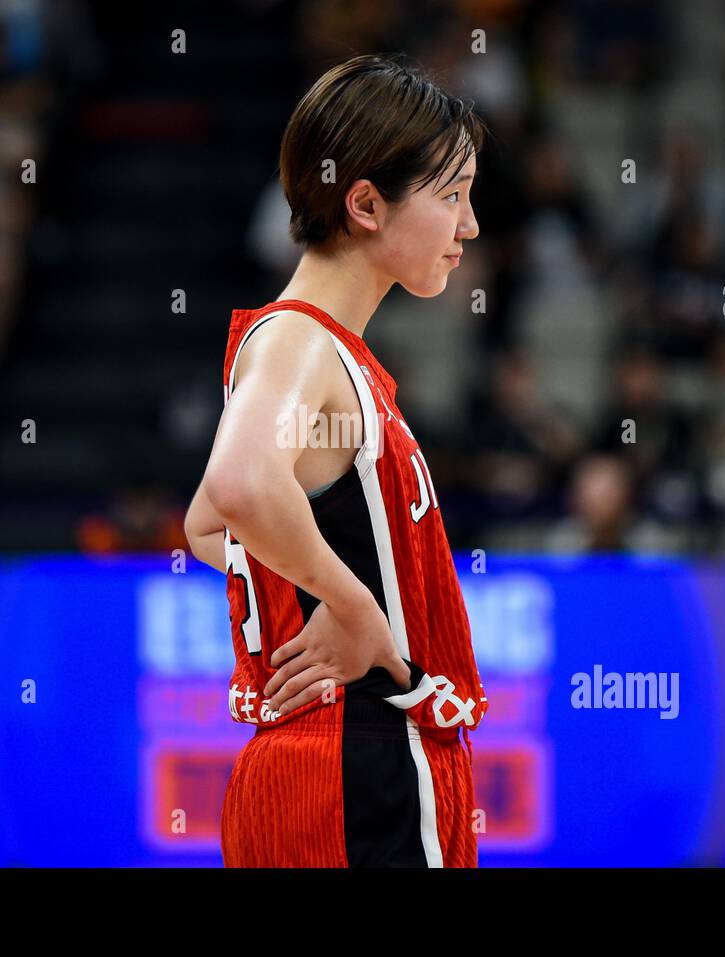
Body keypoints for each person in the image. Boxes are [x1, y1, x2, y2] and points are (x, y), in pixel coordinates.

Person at [184, 55, 489, 867]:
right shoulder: (301, 339)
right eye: (453, 195)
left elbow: (206, 524)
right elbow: (238, 488)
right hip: (361, 770)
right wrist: (353, 608)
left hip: (316, 770)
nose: (470, 226)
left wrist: (304, 586)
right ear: (365, 203)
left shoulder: (301, 346)